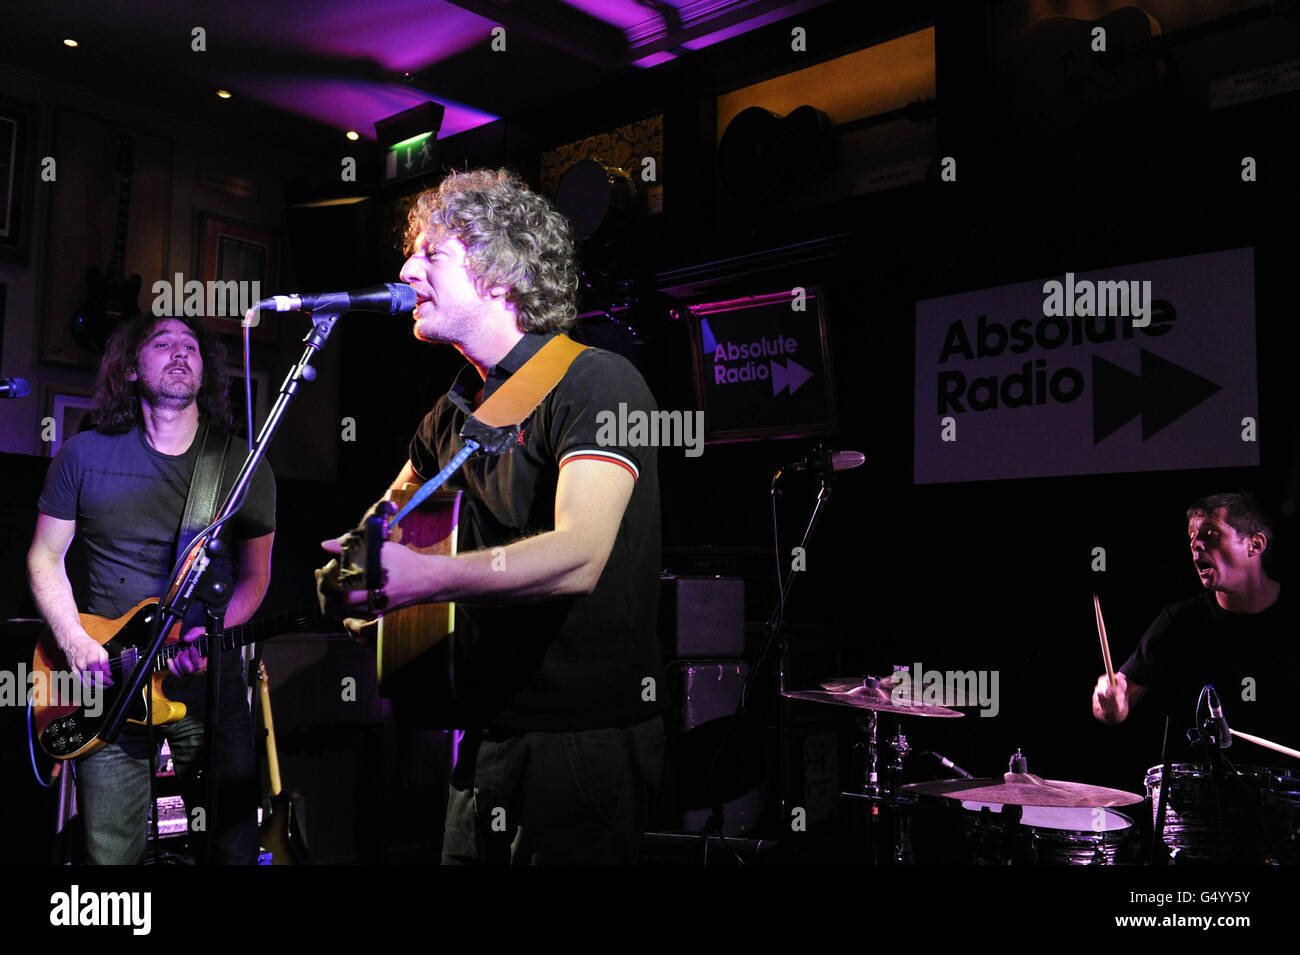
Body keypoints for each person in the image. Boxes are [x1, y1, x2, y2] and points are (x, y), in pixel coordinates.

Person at [319, 168, 665, 864]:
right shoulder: (449, 415)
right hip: (480, 736)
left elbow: (581, 554)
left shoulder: (596, 381)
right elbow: (379, 529)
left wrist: (423, 579)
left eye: (431, 254)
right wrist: (354, 582)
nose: (405, 268)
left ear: (502, 272)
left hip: (580, 743)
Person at [27, 314, 276, 864]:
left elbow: (257, 576)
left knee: (228, 848)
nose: (180, 352)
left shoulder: (240, 464)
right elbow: (45, 556)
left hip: (203, 686)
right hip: (106, 676)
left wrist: (212, 635)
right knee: (110, 855)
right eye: (162, 343)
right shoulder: (83, 454)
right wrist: (72, 641)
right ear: (134, 369)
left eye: (191, 346)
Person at [1092, 492, 1299, 763]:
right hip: (1205, 796)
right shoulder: (1178, 622)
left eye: (1210, 534)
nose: (1196, 545)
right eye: (1191, 538)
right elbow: (1117, 701)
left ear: (1255, 544)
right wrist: (1108, 702)